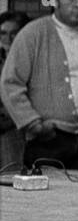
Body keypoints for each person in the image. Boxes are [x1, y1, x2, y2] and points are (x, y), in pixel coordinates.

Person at [0, 0, 78, 170]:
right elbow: (10, 82)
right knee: (47, 198)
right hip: (49, 139)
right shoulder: (33, 34)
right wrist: (33, 123)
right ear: (55, 0)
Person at [0, 10, 31, 171]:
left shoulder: (29, 62)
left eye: (14, 34)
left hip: (17, 127)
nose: (8, 40)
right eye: (3, 34)